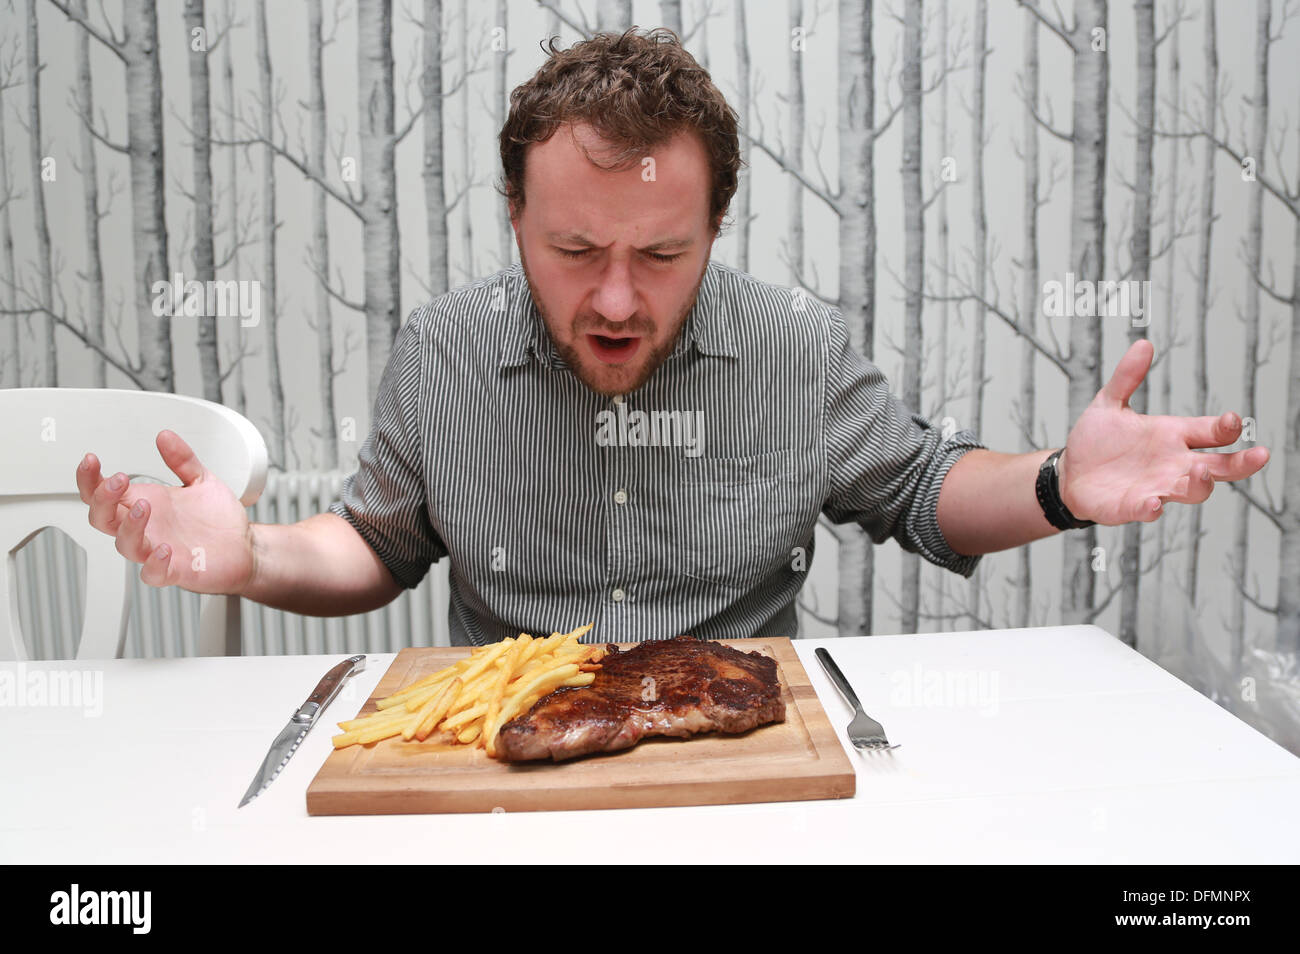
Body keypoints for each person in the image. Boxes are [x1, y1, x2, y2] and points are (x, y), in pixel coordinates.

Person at [75, 29, 1268, 646]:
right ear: (514, 218)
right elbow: (381, 547)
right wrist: (253, 557)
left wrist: (1059, 483)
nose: (612, 301)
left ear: (715, 227)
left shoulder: (795, 346)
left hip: (740, 759)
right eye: (573, 251)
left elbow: (918, 488)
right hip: (511, 770)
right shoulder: (440, 353)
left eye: (658, 256)